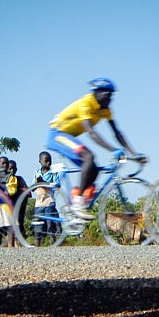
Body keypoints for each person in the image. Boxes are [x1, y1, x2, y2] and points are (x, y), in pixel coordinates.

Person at [47, 78, 145, 219]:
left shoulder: (105, 110)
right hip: (57, 134)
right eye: (107, 94)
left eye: (112, 95)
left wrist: (134, 153)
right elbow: (91, 132)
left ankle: (77, 198)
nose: (110, 98)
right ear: (97, 92)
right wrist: (113, 149)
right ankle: (78, 204)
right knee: (89, 156)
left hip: (69, 136)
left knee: (93, 168)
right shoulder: (85, 104)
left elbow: (117, 132)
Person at [32, 151, 60, 245]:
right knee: (38, 225)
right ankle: (37, 245)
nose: (48, 163)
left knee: (50, 224)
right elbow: (32, 188)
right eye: (46, 161)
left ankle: (53, 243)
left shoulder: (53, 173)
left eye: (50, 161)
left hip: (49, 202)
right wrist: (37, 183)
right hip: (39, 203)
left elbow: (57, 185)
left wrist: (43, 182)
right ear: (40, 161)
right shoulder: (36, 173)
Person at [4, 159, 28, 247]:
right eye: (10, 169)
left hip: (19, 207)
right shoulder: (5, 180)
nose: (12, 171)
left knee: (18, 226)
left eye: (14, 169)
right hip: (8, 208)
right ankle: (10, 246)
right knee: (10, 227)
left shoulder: (19, 179)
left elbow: (27, 191)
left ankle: (18, 246)